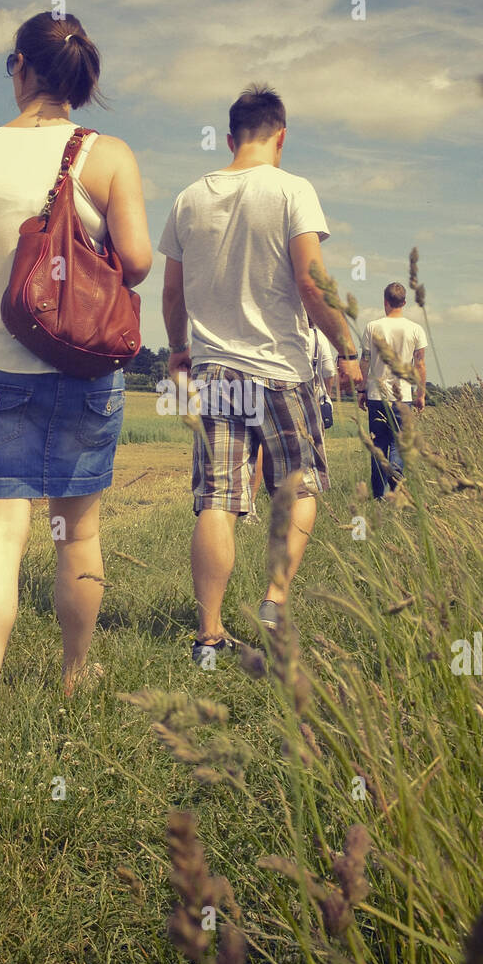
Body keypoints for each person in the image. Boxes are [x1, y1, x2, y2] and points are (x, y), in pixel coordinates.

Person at [0, 11, 151, 754]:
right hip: (83, 370)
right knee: (76, 533)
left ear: (20, 69)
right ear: (80, 81)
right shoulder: (109, 154)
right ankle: (73, 675)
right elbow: (135, 261)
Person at [159, 85, 361, 662]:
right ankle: (274, 599)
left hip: (216, 369)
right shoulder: (292, 189)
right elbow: (310, 280)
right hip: (280, 369)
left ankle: (208, 637)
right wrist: (345, 348)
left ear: (229, 138)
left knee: (216, 500)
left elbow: (171, 292)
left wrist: (178, 348)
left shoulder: (189, 198)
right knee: (299, 485)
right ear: (282, 136)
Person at [245, 321, 336, 524]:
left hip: (261, 388)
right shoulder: (318, 337)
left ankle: (251, 502)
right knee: (301, 460)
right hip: (304, 398)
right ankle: (294, 506)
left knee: (261, 448)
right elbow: (329, 372)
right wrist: (325, 393)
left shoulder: (278, 326)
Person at [358, 282, 427, 500]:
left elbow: (365, 360)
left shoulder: (372, 327)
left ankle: (379, 497)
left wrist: (362, 389)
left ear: (385, 301)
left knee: (378, 445)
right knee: (399, 445)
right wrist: (420, 394)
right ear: (404, 302)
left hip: (377, 395)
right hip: (403, 397)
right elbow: (420, 364)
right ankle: (395, 488)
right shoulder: (416, 329)